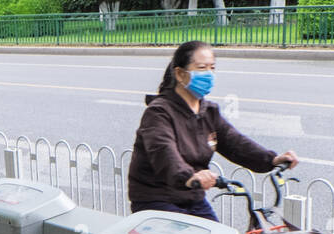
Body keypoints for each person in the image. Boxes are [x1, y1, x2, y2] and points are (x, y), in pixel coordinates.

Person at [128, 40, 298, 221]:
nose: (209, 74)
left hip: (192, 197)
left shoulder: (209, 111)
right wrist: (189, 177)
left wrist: (271, 159)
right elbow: (163, 152)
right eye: (201, 68)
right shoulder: (159, 112)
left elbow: (235, 142)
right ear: (179, 74)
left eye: (212, 68)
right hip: (157, 200)